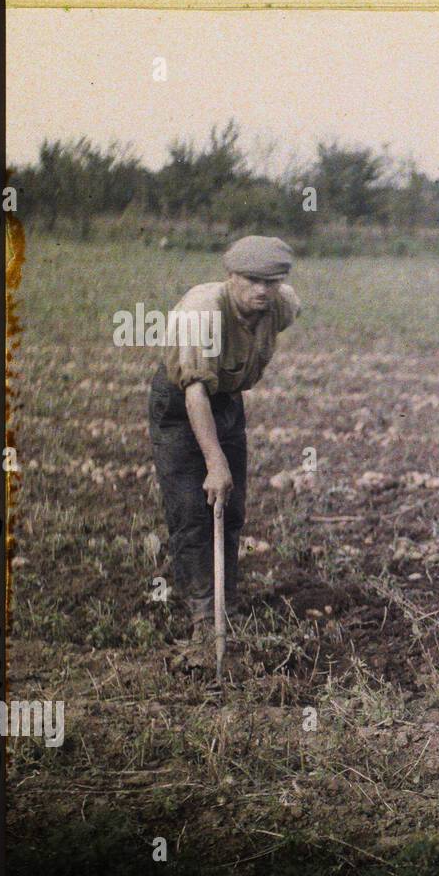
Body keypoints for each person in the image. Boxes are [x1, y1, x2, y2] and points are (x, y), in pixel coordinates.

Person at [149, 235, 301, 641]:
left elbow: (284, 307)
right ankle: (203, 617)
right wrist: (215, 462)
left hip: (227, 399)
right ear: (229, 276)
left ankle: (225, 604)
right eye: (252, 280)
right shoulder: (202, 312)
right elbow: (195, 389)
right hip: (183, 403)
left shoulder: (281, 304)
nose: (262, 290)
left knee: (230, 510)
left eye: (272, 281)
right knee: (192, 512)